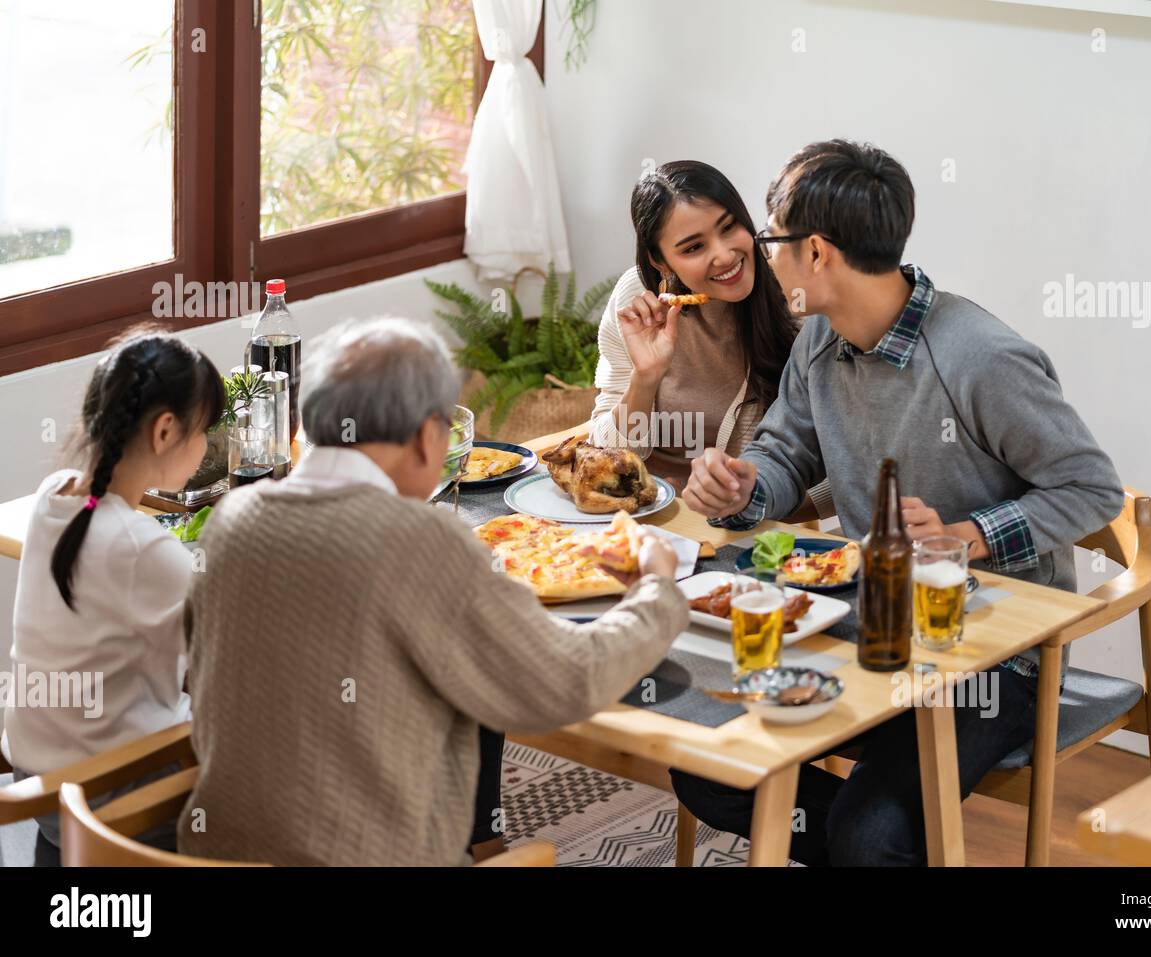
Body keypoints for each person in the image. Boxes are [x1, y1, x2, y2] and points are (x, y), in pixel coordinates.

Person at [675, 140, 1125, 866]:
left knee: (870, 835)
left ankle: (875, 847)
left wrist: (964, 537)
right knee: (708, 763)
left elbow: (1092, 488)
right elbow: (786, 455)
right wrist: (742, 486)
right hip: (866, 626)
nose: (763, 256)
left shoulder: (979, 357)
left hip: (993, 657)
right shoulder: (819, 338)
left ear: (816, 252)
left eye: (771, 240)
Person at [180, 317, 687, 866]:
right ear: (428, 437)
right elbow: (569, 680)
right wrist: (655, 591)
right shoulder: (422, 541)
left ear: (307, 424)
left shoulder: (232, 520)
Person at [2, 327, 224, 865]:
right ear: (166, 430)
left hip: (40, 776)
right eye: (206, 435)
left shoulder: (53, 496)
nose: (206, 451)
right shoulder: (144, 550)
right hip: (106, 789)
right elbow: (224, 656)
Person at [589, 160, 832, 519]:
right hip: (647, 515)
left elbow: (842, 454)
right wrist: (646, 377)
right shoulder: (637, 299)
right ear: (661, 262)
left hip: (760, 524)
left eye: (729, 227)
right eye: (693, 248)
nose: (724, 255)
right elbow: (609, 452)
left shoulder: (798, 297)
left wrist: (758, 510)